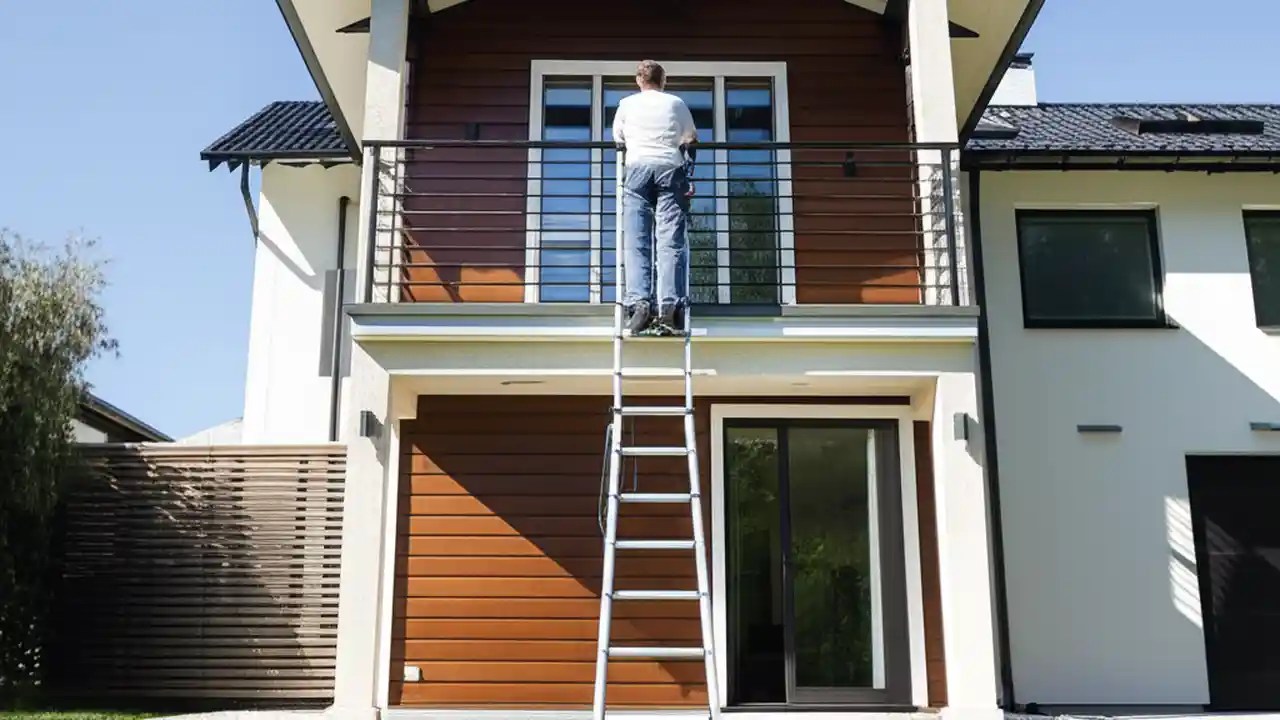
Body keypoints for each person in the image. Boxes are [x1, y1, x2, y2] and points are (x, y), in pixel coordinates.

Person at [612, 59, 697, 334]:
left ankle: (639, 305)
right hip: (670, 170)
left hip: (637, 170)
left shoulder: (626, 104)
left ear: (639, 81)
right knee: (669, 241)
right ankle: (669, 307)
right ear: (663, 81)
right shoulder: (675, 103)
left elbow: (618, 138)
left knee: (636, 240)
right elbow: (690, 138)